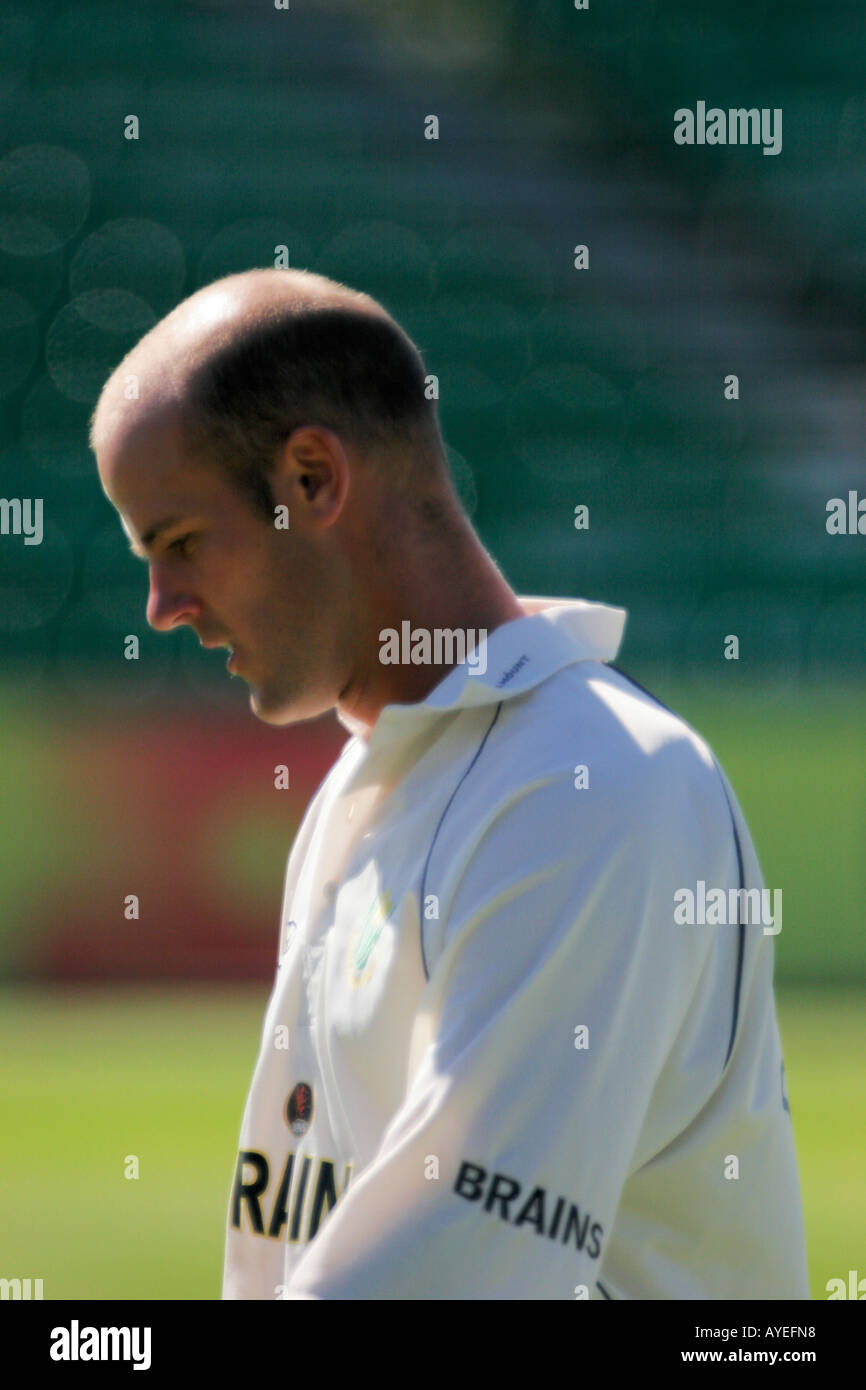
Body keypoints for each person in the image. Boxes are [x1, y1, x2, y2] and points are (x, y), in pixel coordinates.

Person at [91, 267, 809, 1300]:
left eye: (181, 543)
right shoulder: (362, 786)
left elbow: (463, 1250)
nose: (161, 604)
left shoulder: (592, 781)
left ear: (309, 480)